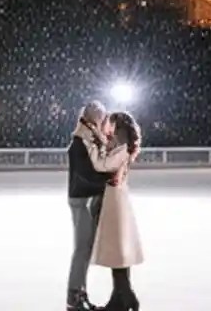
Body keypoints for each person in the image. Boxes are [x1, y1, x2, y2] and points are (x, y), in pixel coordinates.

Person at [66, 101, 120, 311]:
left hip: (86, 199)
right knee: (82, 250)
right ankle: (73, 298)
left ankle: (80, 294)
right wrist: (104, 182)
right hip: (81, 200)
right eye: (102, 117)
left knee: (86, 250)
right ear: (94, 119)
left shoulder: (89, 138)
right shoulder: (80, 142)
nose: (105, 121)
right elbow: (86, 176)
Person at [91, 111, 144, 311]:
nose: (106, 128)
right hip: (116, 198)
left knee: (117, 252)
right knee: (118, 253)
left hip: (114, 200)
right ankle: (120, 298)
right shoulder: (121, 147)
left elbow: (101, 166)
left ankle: (126, 297)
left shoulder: (121, 149)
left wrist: (95, 147)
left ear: (117, 127)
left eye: (110, 124)